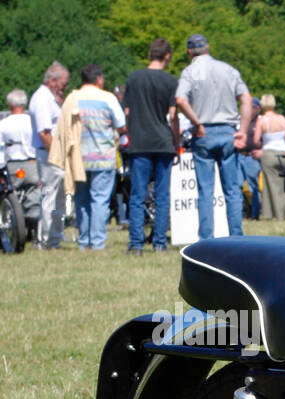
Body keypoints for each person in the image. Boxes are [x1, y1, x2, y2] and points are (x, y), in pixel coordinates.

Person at [174, 33, 253, 240]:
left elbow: (180, 99)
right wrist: (243, 130)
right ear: (208, 47)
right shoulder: (228, 69)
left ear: (189, 52)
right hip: (228, 132)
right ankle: (236, 236)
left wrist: (196, 122)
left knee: (205, 191)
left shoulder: (189, 72)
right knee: (232, 190)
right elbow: (246, 98)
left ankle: (206, 239)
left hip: (204, 133)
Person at [51, 64, 124, 251]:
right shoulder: (108, 98)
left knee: (81, 201)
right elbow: (121, 124)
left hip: (78, 159)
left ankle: (84, 241)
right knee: (100, 200)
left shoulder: (72, 98)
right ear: (99, 79)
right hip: (103, 157)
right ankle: (98, 242)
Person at [122, 37, 179, 253]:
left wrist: (132, 131)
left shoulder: (134, 78)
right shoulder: (171, 81)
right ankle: (159, 243)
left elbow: (127, 113)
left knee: (138, 195)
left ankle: (136, 244)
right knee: (162, 196)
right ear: (167, 56)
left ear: (149, 55)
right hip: (163, 142)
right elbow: (173, 116)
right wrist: (176, 141)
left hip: (140, 142)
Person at [30, 62, 69, 249]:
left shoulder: (49, 98)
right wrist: (58, 155)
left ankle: (54, 237)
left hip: (52, 154)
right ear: (52, 80)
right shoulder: (42, 99)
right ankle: (46, 239)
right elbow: (44, 133)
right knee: (50, 198)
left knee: (58, 198)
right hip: (49, 155)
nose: (64, 87)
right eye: (63, 83)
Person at [1, 90, 40, 226]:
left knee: (9, 195)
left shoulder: (3, 124)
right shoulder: (33, 122)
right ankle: (34, 226)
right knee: (35, 194)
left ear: (10, 104)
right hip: (32, 164)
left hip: (12, 165)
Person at [253, 94, 285, 220]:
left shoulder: (262, 120)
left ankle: (274, 213)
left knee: (270, 185)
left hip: (269, 153)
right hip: (283, 153)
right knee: (284, 185)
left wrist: (260, 144)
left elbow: (255, 140)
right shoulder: (282, 118)